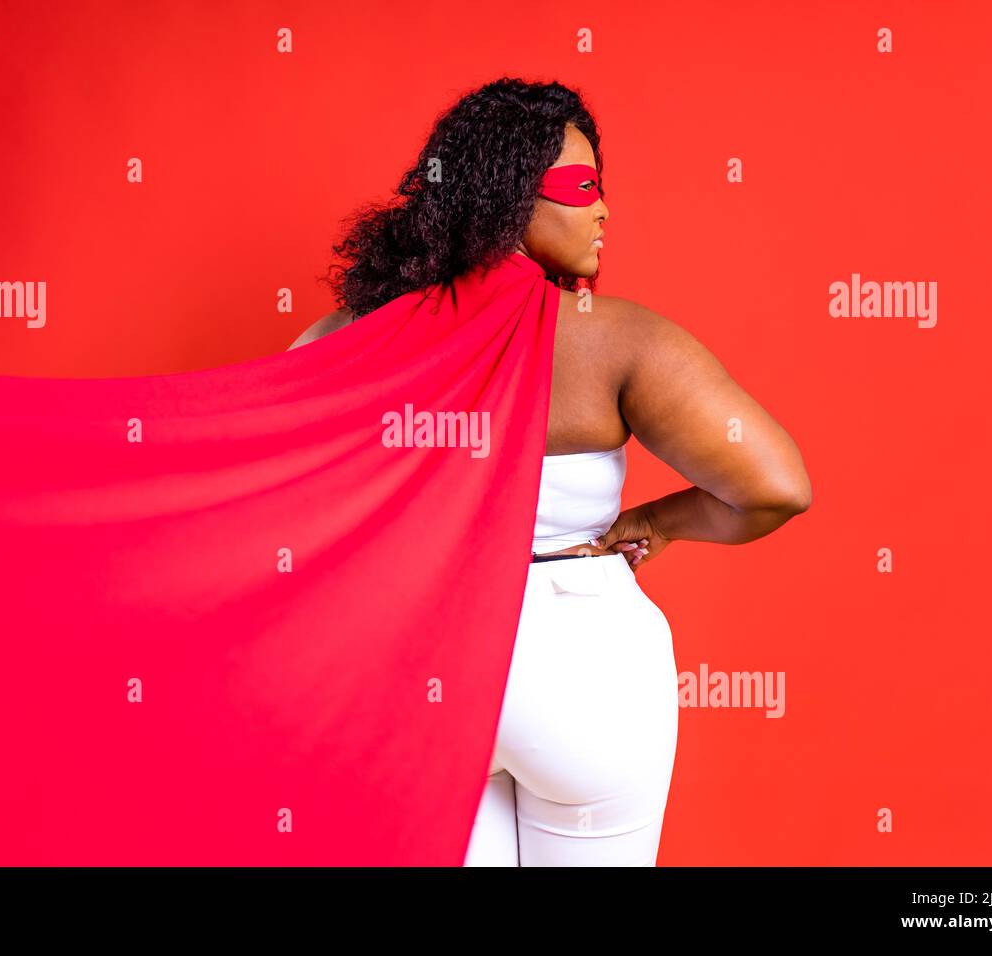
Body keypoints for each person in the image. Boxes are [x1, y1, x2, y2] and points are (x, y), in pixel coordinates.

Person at [290, 77, 811, 865]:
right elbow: (778, 487)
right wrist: (651, 524)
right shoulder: (616, 341)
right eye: (583, 186)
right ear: (505, 196)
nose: (604, 210)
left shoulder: (346, 339)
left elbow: (278, 506)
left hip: (420, 673)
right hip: (586, 674)